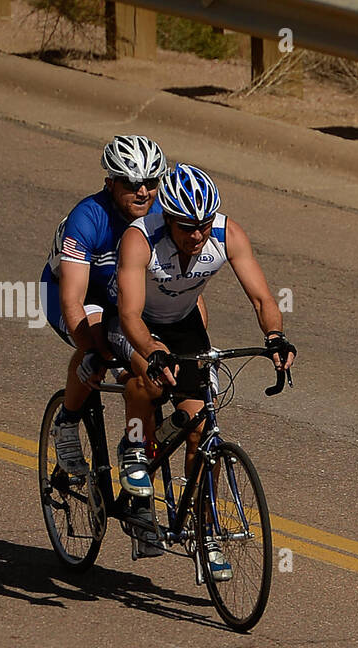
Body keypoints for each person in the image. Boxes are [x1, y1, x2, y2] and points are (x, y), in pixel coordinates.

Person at [107, 163, 296, 571]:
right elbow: (130, 315)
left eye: (204, 225)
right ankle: (135, 446)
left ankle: (204, 532)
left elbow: (262, 300)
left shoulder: (228, 234)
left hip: (184, 324)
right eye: (187, 227)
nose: (197, 236)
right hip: (135, 322)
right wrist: (152, 350)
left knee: (198, 429)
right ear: (169, 218)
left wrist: (275, 338)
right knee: (148, 378)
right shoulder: (140, 239)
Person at [40, 134, 167, 478]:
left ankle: (134, 443)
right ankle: (67, 421)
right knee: (100, 343)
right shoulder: (87, 218)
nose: (143, 192)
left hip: (122, 296)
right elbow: (72, 301)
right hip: (73, 295)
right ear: (110, 182)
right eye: (131, 182)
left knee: (145, 374)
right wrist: (94, 352)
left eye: (151, 182)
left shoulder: (160, 214)